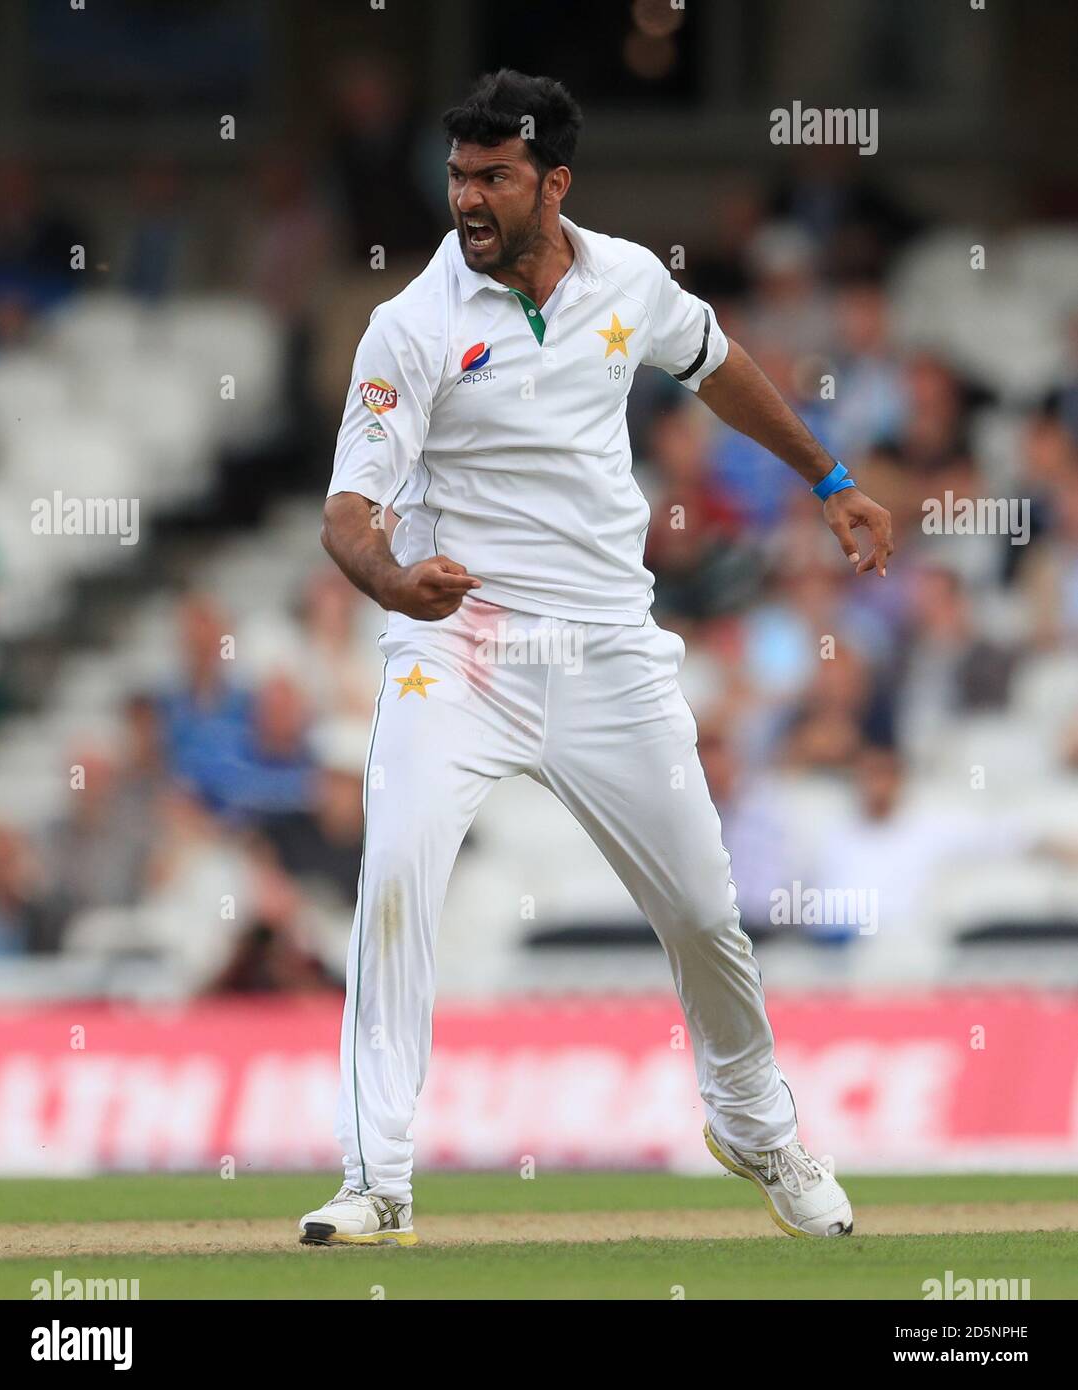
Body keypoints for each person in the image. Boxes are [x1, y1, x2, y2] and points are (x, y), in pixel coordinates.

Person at [301, 70, 894, 1248]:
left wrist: (827, 478)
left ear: (552, 181)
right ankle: (377, 1177)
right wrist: (392, 581)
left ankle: (755, 1124)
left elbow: (714, 359)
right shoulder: (411, 324)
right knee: (395, 884)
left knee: (702, 912)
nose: (467, 199)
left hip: (607, 648)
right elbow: (347, 512)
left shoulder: (624, 278)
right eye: (458, 175)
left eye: (493, 177)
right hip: (455, 648)